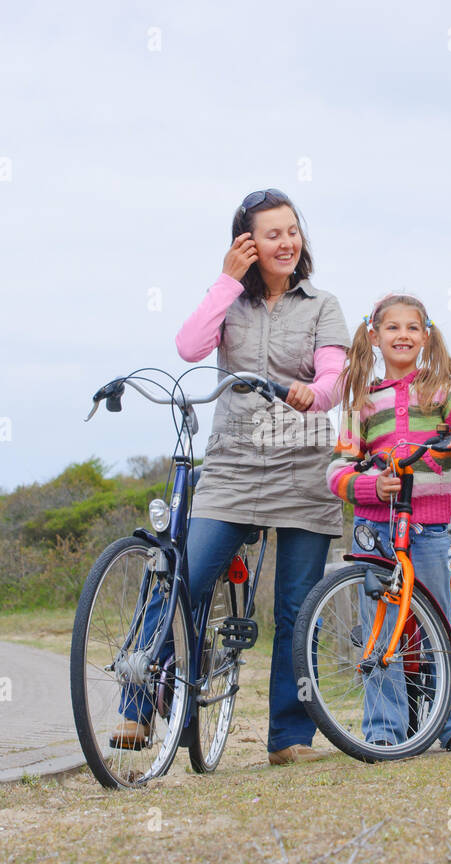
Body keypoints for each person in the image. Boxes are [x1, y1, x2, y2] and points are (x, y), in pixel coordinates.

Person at [113, 187, 351, 765]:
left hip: (302, 465)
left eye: (292, 230)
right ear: (246, 244)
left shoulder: (323, 305)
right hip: (234, 465)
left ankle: (289, 739)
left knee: (297, 608)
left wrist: (312, 394)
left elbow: (334, 378)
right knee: (182, 578)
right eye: (272, 234)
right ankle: (138, 707)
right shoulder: (230, 304)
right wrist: (225, 281)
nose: (287, 242)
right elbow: (190, 346)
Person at [326, 293, 451, 751]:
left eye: (412, 328)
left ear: (426, 335)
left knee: (440, 625)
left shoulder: (443, 388)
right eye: (393, 328)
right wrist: (369, 487)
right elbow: (337, 469)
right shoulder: (360, 398)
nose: (403, 335)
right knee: (379, 630)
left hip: (429, 530)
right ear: (375, 337)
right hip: (375, 531)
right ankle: (385, 730)